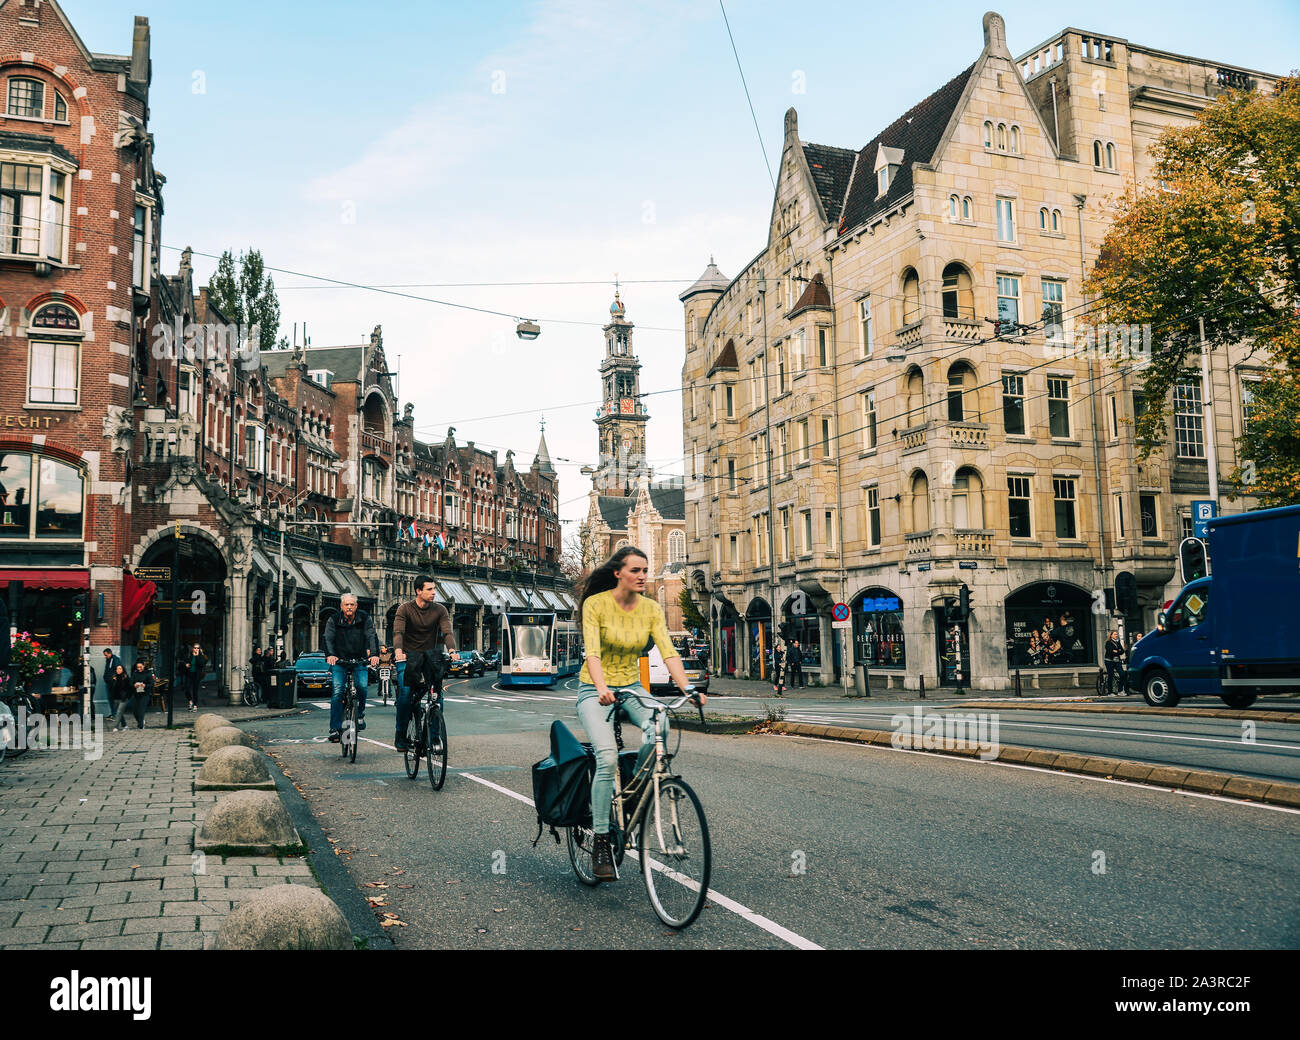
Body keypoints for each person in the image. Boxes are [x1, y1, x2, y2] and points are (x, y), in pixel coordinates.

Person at [577, 546, 703, 882]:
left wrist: (687, 690)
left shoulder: (650, 608)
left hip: (631, 687)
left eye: (646, 570)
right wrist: (602, 687)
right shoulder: (596, 605)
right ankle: (602, 839)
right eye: (636, 570)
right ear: (618, 573)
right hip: (595, 689)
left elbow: (669, 650)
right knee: (605, 758)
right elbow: (593, 653)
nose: (643, 576)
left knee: (660, 722)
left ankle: (632, 789)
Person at [392, 578, 456, 752]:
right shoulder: (405, 609)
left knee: (437, 697)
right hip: (408, 656)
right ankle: (401, 735)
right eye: (429, 589)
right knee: (405, 693)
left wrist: (452, 650)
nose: (434, 592)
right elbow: (398, 632)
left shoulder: (440, 610)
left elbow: (447, 632)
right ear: (418, 591)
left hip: (430, 656)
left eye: (434, 589)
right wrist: (398, 651)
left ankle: (435, 739)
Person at [324, 594, 379, 743]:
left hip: (359, 659)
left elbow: (371, 636)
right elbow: (328, 638)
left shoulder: (364, 618)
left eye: (352, 604)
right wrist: (330, 655)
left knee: (362, 686)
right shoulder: (334, 619)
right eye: (346, 604)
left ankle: (359, 714)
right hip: (339, 661)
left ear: (356, 606)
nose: (349, 607)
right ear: (341, 606)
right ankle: (335, 729)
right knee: (337, 691)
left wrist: (374, 654)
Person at [117, 659, 153, 730]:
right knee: (135, 711)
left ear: (143, 666)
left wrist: (145, 685)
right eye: (138, 667)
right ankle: (141, 721)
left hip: (144, 694)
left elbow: (151, 683)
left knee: (141, 710)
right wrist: (134, 685)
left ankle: (140, 725)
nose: (139, 669)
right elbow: (130, 683)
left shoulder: (148, 673)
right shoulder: (135, 673)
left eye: (140, 667)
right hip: (136, 693)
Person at [108, 663, 134, 729]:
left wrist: (127, 696)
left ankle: (115, 727)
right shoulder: (114, 678)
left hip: (123, 699)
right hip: (115, 698)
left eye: (120, 669)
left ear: (123, 669)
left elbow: (130, 688)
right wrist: (112, 681)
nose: (118, 670)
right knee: (120, 713)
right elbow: (111, 688)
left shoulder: (126, 678)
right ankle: (125, 726)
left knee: (119, 713)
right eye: (117, 669)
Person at [183, 643, 206, 712]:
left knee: (195, 690)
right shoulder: (190, 655)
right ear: (193, 648)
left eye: (197, 648)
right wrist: (186, 664)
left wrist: (196, 656)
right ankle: (190, 702)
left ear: (199, 649)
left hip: (197, 675)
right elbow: (185, 661)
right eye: (195, 648)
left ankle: (195, 705)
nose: (196, 649)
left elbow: (201, 664)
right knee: (187, 688)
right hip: (189, 674)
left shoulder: (201, 656)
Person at [1103, 630, 1127, 696]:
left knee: (1122, 674)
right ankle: (1110, 692)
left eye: (1117, 634)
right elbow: (1110, 651)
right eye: (1115, 634)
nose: (1116, 635)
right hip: (1109, 661)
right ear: (1111, 635)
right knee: (1110, 675)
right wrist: (1116, 651)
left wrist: (1117, 651)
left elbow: (1122, 651)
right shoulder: (1108, 642)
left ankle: (1120, 690)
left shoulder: (1118, 642)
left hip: (1117, 661)